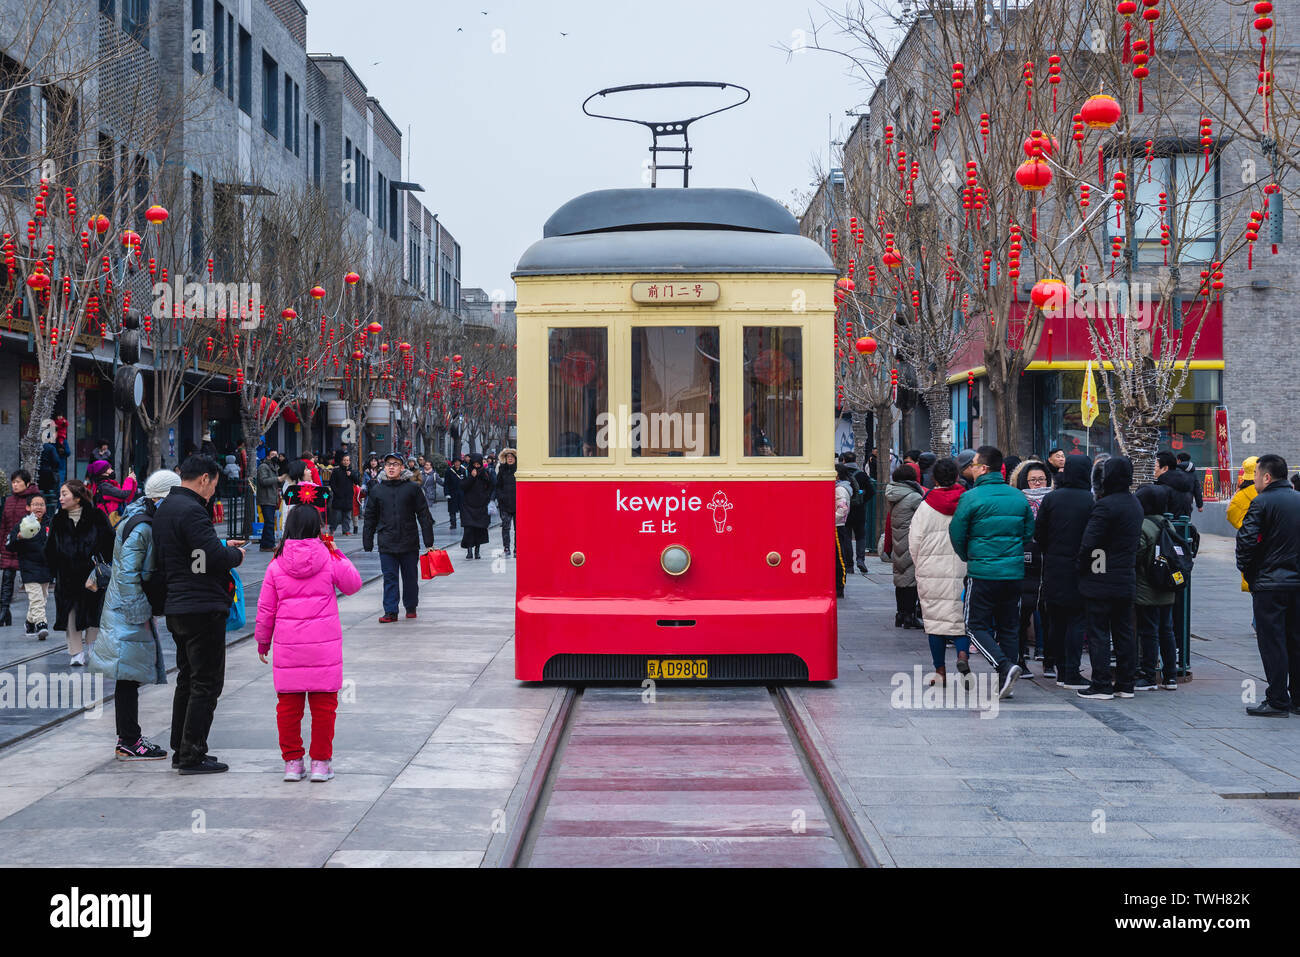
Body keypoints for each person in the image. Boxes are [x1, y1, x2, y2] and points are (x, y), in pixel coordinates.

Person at [152, 455, 246, 774]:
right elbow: (209, 558)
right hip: (200, 605)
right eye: (214, 486)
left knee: (187, 679)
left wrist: (217, 545)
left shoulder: (167, 508)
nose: (212, 493)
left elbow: (191, 556)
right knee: (206, 682)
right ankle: (192, 753)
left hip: (177, 604)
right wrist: (235, 554)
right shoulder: (193, 509)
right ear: (204, 479)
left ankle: (181, 748)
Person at [255, 504, 362, 782]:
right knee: (324, 708)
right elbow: (353, 585)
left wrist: (263, 641)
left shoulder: (276, 564)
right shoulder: (328, 559)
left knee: (288, 708)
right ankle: (320, 764)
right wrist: (336, 551)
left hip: (288, 648)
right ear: (318, 528)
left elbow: (266, 609)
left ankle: (292, 763)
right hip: (322, 648)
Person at [88, 470, 182, 761]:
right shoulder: (142, 526)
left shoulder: (136, 517)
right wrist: (140, 609)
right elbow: (128, 573)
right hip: (127, 609)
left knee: (127, 674)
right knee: (126, 676)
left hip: (126, 606)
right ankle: (129, 739)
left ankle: (129, 737)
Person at [948, 445, 1035, 699]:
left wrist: (969, 556)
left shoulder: (971, 497)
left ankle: (1004, 666)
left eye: (974, 465)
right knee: (1009, 626)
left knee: (974, 625)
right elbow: (1028, 532)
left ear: (983, 468)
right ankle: (1005, 681)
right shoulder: (1018, 497)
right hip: (1013, 572)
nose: (971, 469)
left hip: (983, 572)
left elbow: (956, 533)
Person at [1235, 453, 1300, 717]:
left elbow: (1246, 542)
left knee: (1272, 643)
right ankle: (1296, 698)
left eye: (1256, 476)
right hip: (1296, 584)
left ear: (1266, 476)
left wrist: (1250, 573)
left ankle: (1277, 699)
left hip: (1269, 585)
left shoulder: (1261, 502)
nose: (1253, 482)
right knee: (1295, 641)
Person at [1074, 456, 1144, 700]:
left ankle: (1102, 683)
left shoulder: (1105, 506)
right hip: (1125, 577)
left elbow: (1090, 544)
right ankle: (1126, 683)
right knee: (1124, 632)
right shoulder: (1134, 503)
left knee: (1099, 632)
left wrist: (1082, 567)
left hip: (1100, 578)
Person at [1034, 454, 1094, 689]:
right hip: (1080, 568)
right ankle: (1072, 671)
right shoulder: (1090, 501)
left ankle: (1059, 669)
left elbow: (1039, 533)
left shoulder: (1052, 499)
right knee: (1076, 620)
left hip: (1053, 567)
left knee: (1056, 620)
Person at [909, 458, 970, 686]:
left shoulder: (926, 505)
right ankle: (963, 655)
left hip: (931, 569)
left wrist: (920, 565)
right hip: (963, 567)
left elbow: (914, 540)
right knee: (960, 618)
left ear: (934, 478)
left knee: (935, 622)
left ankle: (940, 671)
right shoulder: (967, 501)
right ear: (957, 477)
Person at [44, 479, 114, 667]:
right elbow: (50, 548)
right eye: (60, 494)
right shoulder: (58, 519)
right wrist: (52, 571)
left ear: (77, 496)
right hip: (67, 576)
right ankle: (76, 653)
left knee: (94, 613)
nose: (60, 498)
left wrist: (104, 564)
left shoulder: (97, 515)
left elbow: (110, 541)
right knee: (70, 614)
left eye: (64, 494)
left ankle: (92, 647)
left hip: (92, 575)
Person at [363, 452, 436, 623]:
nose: (391, 467)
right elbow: (370, 517)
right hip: (386, 541)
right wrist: (367, 540)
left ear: (402, 468)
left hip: (409, 541)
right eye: (388, 464)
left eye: (395, 464)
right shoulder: (377, 490)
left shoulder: (413, 489)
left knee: (410, 576)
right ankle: (390, 611)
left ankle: (411, 606)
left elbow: (424, 515)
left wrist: (428, 541)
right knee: (389, 577)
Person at [1134, 485, 1180, 692]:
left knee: (1149, 631)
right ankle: (1170, 676)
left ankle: (1148, 675)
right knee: (1167, 630)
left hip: (1146, 588)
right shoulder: (1167, 523)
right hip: (1167, 587)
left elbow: (1137, 554)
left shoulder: (1142, 525)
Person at [1011, 459, 1052, 677]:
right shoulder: (1018, 501)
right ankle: (1019, 657)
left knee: (1048, 614)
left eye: (1041, 479)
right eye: (1033, 480)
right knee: (1022, 613)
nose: (1037, 484)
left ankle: (1049, 660)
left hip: (1047, 561)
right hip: (1024, 560)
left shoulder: (1053, 500)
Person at [4, 489, 51, 639]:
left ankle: (30, 622)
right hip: (29, 567)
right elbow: (9, 545)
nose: (38, 507)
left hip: (46, 567)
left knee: (42, 598)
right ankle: (41, 624)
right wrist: (18, 537)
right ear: (28, 507)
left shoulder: (50, 524)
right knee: (36, 597)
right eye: (35, 504)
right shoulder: (22, 525)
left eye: (41, 504)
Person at [884, 464, 925, 628]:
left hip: (898, 540)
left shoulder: (893, 493)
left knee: (900, 578)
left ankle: (900, 614)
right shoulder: (914, 497)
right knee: (911, 581)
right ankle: (909, 616)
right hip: (910, 540)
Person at [0, 468, 37, 626]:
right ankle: (4, 611)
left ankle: (35, 616)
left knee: (31, 583)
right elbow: (4, 525)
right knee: (7, 579)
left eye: (18, 482)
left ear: (27, 483)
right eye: (13, 482)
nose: (14, 485)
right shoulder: (9, 500)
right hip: (10, 545)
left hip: (27, 546)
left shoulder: (34, 499)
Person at [1228, 456, 1260, 607]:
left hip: (1251, 542)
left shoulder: (1241, 494)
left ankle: (1257, 622)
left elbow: (1232, 516)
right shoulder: (1269, 491)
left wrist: (1246, 526)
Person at [840, 452, 873, 573]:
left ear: (843, 461)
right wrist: (862, 501)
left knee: (847, 537)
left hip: (845, 510)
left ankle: (849, 565)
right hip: (859, 511)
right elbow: (871, 491)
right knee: (860, 536)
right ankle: (860, 559)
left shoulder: (842, 475)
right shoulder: (862, 475)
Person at [459, 454, 495, 560]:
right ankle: (469, 551)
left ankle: (477, 551)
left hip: (481, 505)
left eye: (478, 464)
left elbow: (491, 486)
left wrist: (488, 497)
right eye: (474, 464)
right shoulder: (466, 472)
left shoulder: (486, 473)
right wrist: (472, 477)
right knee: (469, 529)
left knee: (479, 529)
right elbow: (462, 486)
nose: (476, 466)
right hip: (468, 506)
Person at [327, 453, 361, 536]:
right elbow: (332, 483)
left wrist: (351, 475)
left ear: (349, 462)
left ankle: (346, 530)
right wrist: (336, 492)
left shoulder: (352, 471)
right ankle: (332, 529)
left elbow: (357, 482)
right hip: (338, 496)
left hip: (348, 496)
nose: (346, 462)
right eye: (344, 460)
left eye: (348, 460)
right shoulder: (336, 471)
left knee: (347, 515)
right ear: (342, 461)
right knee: (336, 515)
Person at [1154, 450, 1195, 518]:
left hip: (1167, 526)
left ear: (1165, 468)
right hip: (1182, 526)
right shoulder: (1183, 482)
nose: (1153, 469)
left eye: (1155, 466)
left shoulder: (1162, 488)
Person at [256, 450, 281, 551]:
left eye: (276, 454)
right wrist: (277, 479)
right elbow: (263, 481)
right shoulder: (263, 467)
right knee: (269, 522)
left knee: (269, 522)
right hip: (266, 498)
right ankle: (269, 545)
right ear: (268, 457)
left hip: (272, 498)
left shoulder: (274, 467)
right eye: (272, 455)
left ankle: (265, 544)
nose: (275, 456)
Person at [496, 448, 518, 557]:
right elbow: (498, 486)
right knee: (506, 527)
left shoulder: (519, 470)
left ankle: (517, 549)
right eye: (508, 457)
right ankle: (506, 547)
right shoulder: (502, 469)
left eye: (511, 457)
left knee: (518, 528)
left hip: (518, 503)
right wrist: (500, 497)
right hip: (505, 504)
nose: (510, 459)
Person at [834, 471, 852, 599]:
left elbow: (843, 508)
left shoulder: (839, 489)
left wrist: (832, 518)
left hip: (837, 526)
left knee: (839, 557)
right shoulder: (839, 488)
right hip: (837, 525)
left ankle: (840, 585)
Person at [443, 457, 467, 530]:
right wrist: (447, 493)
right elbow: (446, 483)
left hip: (462, 493)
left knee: (463, 509)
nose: (457, 463)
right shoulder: (449, 471)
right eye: (455, 462)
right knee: (452, 510)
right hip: (452, 493)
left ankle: (464, 522)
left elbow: (466, 482)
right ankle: (453, 524)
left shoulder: (464, 471)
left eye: (458, 462)